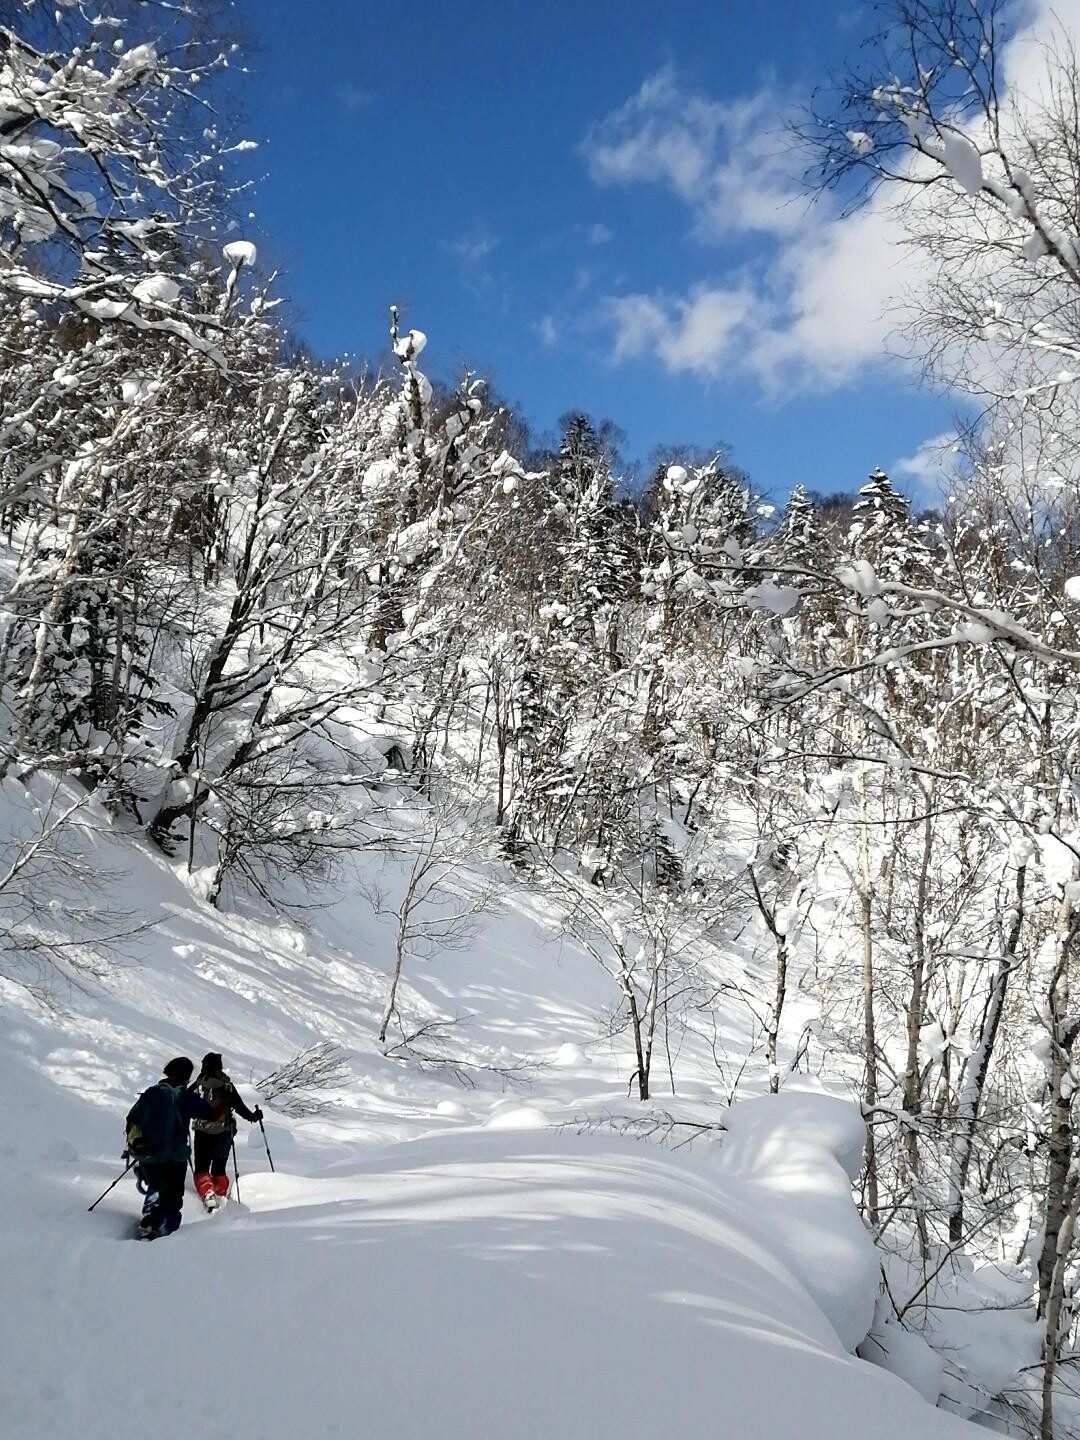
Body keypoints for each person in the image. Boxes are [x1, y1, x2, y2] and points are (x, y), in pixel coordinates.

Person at [124, 1057, 214, 1239]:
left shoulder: (151, 1093)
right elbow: (208, 1112)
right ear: (187, 1076)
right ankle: (164, 1233)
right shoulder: (185, 1097)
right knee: (172, 1198)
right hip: (174, 1157)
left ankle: (149, 1219)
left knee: (155, 1186)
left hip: (148, 1154)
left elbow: (132, 1118)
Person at [190, 1052, 263, 1207]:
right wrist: (254, 1117)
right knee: (219, 1168)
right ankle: (220, 1194)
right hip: (223, 1132)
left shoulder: (198, 1084)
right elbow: (239, 1107)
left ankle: (207, 1193)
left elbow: (183, 1104)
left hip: (201, 1132)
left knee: (202, 1167)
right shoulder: (226, 1085)